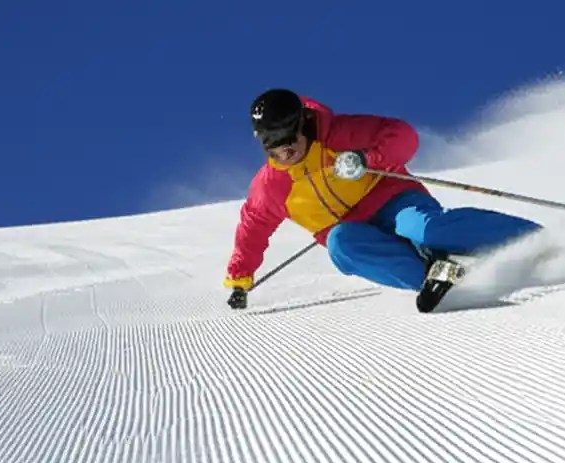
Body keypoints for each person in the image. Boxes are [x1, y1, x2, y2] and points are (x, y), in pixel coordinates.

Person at [224, 88, 542, 312]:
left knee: (426, 230)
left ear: (300, 125)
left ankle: (533, 238)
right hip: (352, 229)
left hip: (392, 198)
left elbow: (402, 135)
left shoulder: (337, 134)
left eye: (288, 140)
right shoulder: (271, 187)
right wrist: (239, 279)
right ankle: (438, 276)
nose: (285, 152)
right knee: (341, 246)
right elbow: (252, 231)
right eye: (272, 147)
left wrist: (368, 158)